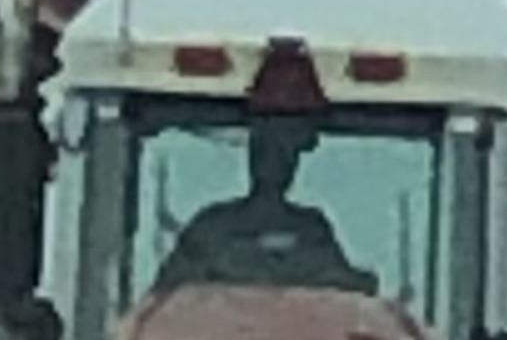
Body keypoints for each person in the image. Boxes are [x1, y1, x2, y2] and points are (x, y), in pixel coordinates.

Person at [155, 117, 372, 291]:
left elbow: (340, 288)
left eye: (283, 154)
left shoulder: (312, 230)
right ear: (254, 158)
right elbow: (172, 300)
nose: (275, 162)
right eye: (268, 152)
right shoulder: (211, 228)